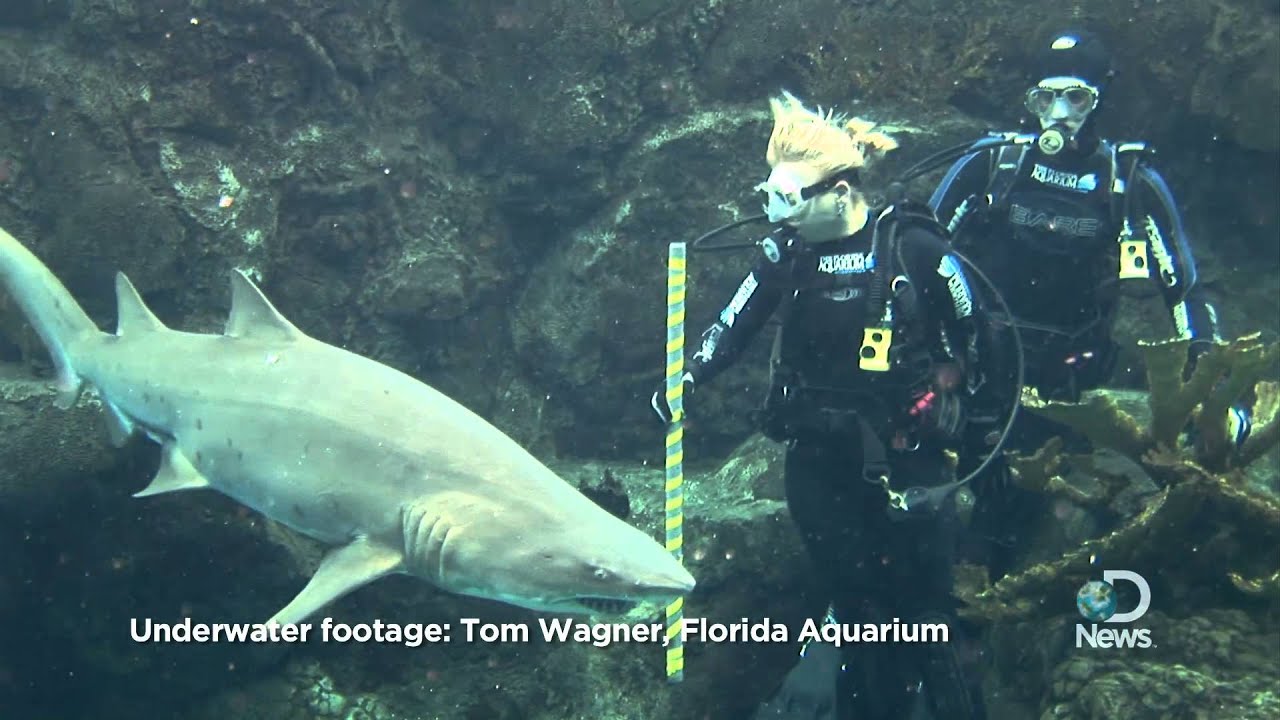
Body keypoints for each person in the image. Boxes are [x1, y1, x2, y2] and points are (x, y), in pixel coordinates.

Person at [650, 91, 997, 720]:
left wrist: (967, 408)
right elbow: (734, 322)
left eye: (788, 197)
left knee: (924, 605)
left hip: (907, 456)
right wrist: (689, 378)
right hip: (816, 458)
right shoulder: (786, 255)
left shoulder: (914, 249)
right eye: (769, 195)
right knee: (854, 600)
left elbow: (976, 334)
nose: (775, 212)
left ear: (840, 192)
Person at [925, 28, 1251, 573]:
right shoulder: (993, 165)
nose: (1058, 114)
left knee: (1016, 516)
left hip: (1066, 380)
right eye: (1045, 97)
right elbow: (919, 250)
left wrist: (1213, 389)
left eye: (1075, 97)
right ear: (1030, 101)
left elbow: (1184, 288)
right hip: (976, 362)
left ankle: (986, 591)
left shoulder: (1129, 181)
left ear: (1098, 101)